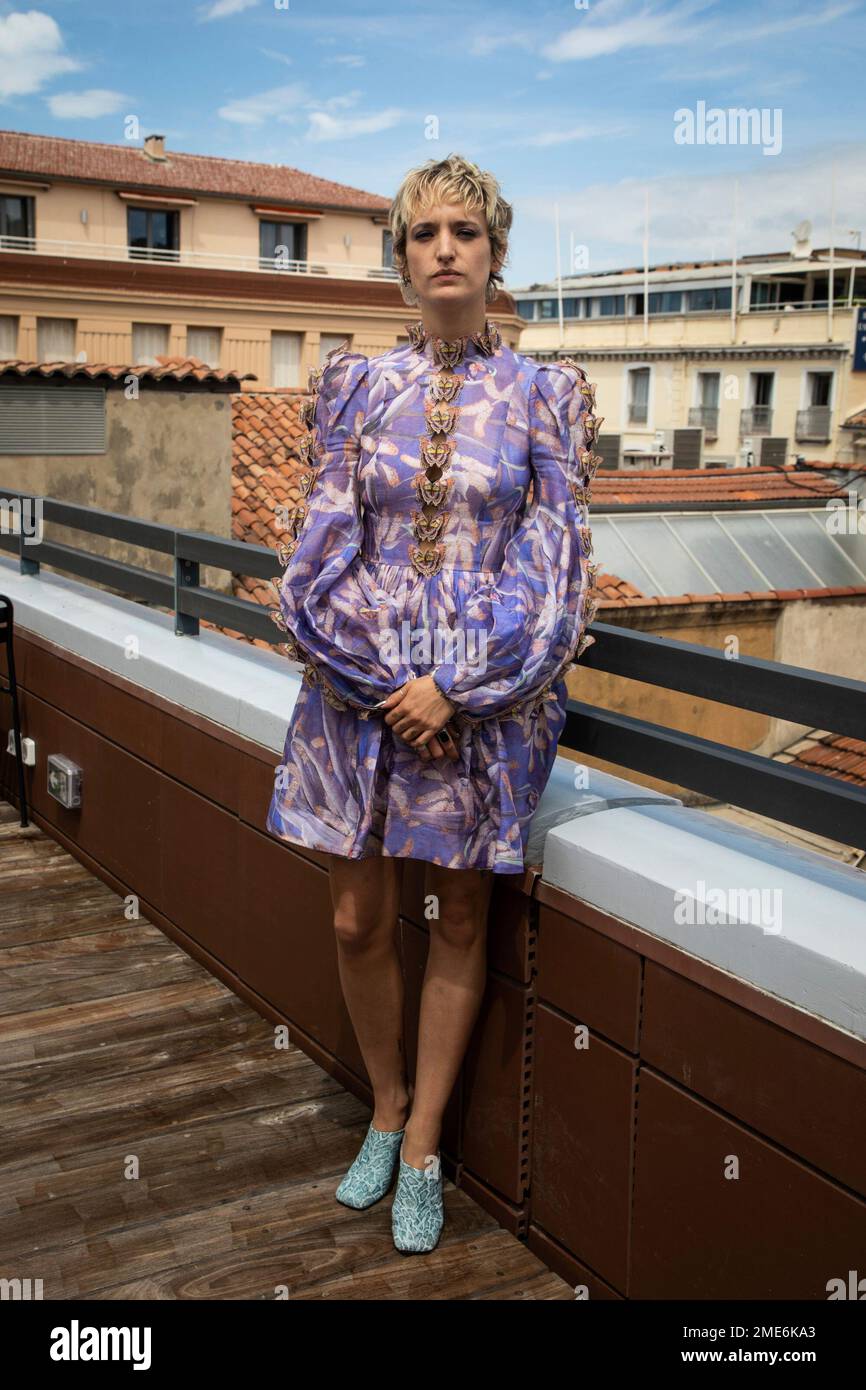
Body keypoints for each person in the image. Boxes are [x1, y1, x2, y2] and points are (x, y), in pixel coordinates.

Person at [266, 153, 603, 1254]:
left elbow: (556, 577)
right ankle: (383, 1103)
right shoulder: (355, 386)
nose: (444, 247)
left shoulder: (545, 396)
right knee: (359, 915)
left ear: (495, 251)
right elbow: (314, 555)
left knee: (458, 915)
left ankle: (421, 1150)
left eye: (465, 229)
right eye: (423, 233)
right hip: (352, 701)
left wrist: (456, 687)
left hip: (481, 713)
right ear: (401, 260)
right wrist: (382, 679)